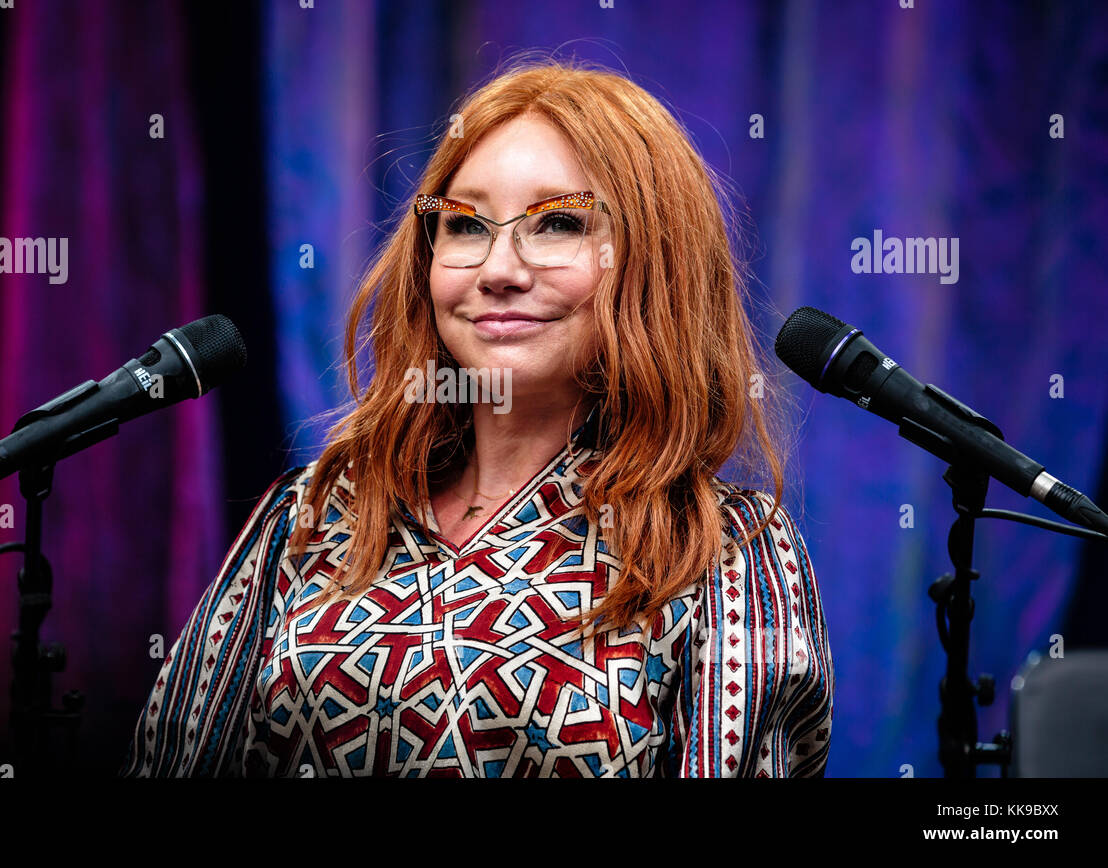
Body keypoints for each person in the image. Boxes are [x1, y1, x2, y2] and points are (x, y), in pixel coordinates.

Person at [120, 59, 833, 778]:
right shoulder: (311, 515)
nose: (499, 268)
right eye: (464, 225)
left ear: (654, 261)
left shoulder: (720, 552)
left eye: (557, 223)